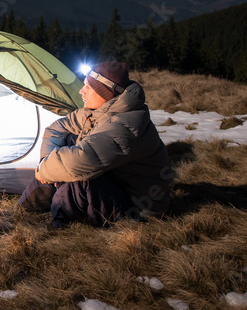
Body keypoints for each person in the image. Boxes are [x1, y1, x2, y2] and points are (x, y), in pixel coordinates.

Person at [18, 60, 171, 227]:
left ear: (105, 94)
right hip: (116, 184)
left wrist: (44, 171)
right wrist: (45, 162)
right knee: (68, 142)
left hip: (138, 210)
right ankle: (23, 210)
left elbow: (81, 161)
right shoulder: (99, 111)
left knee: (80, 174)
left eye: (88, 88)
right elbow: (56, 128)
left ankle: (60, 226)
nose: (81, 91)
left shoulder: (124, 125)